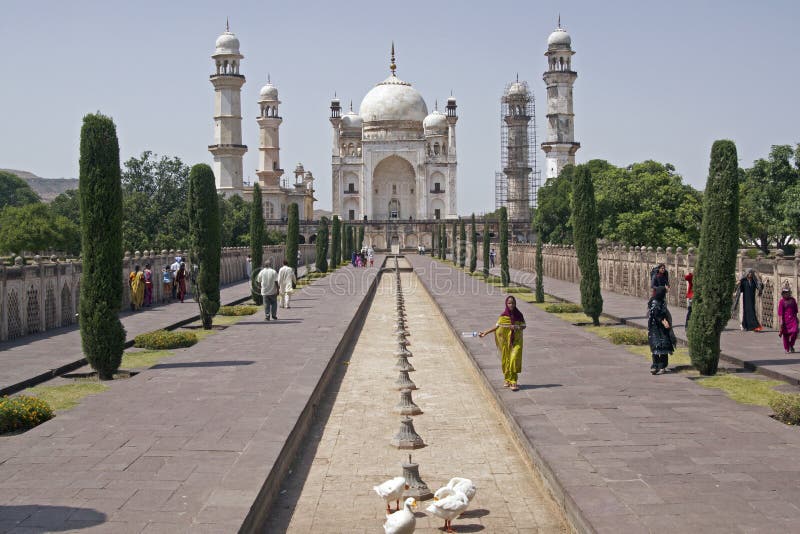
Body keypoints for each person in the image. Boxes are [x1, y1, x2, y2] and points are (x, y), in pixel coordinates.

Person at [478, 295, 526, 391]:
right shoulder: (503, 316)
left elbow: (524, 326)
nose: (511, 305)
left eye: (513, 303)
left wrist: (516, 327)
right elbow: (497, 326)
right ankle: (507, 379)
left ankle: (514, 381)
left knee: (513, 359)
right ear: (506, 304)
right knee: (506, 360)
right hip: (506, 343)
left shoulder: (519, 315)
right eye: (509, 303)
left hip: (516, 341)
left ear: (515, 304)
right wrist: (485, 333)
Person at [647, 286, 676, 374]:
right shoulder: (655, 301)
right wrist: (663, 321)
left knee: (664, 346)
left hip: (662, 327)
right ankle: (655, 366)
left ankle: (662, 366)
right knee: (656, 346)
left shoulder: (662, 300)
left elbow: (663, 313)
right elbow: (656, 314)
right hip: (655, 327)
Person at [778, 284, 798, 353]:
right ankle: (787, 347)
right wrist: (781, 321)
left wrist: (796, 318)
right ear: (783, 293)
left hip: (793, 319)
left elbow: (796, 310)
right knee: (786, 335)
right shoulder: (781, 301)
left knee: (795, 332)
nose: (786, 294)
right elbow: (780, 312)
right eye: (785, 293)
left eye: (787, 293)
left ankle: (791, 344)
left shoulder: (793, 300)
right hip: (785, 320)